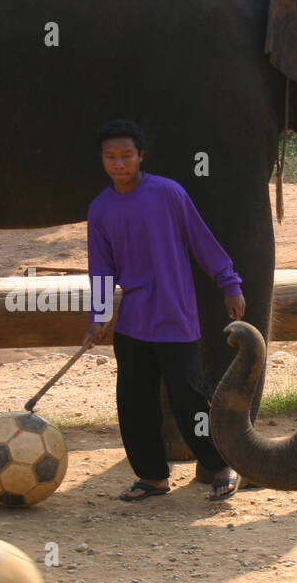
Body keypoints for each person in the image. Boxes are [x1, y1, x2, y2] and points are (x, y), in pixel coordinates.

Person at [85, 119, 246, 500]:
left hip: (176, 317)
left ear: (141, 156)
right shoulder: (100, 210)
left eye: (127, 155)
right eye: (111, 157)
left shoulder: (168, 194)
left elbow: (201, 241)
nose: (119, 163)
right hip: (134, 324)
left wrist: (230, 282)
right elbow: (101, 269)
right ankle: (152, 477)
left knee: (189, 399)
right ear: (102, 160)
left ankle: (221, 464)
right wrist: (99, 316)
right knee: (134, 403)